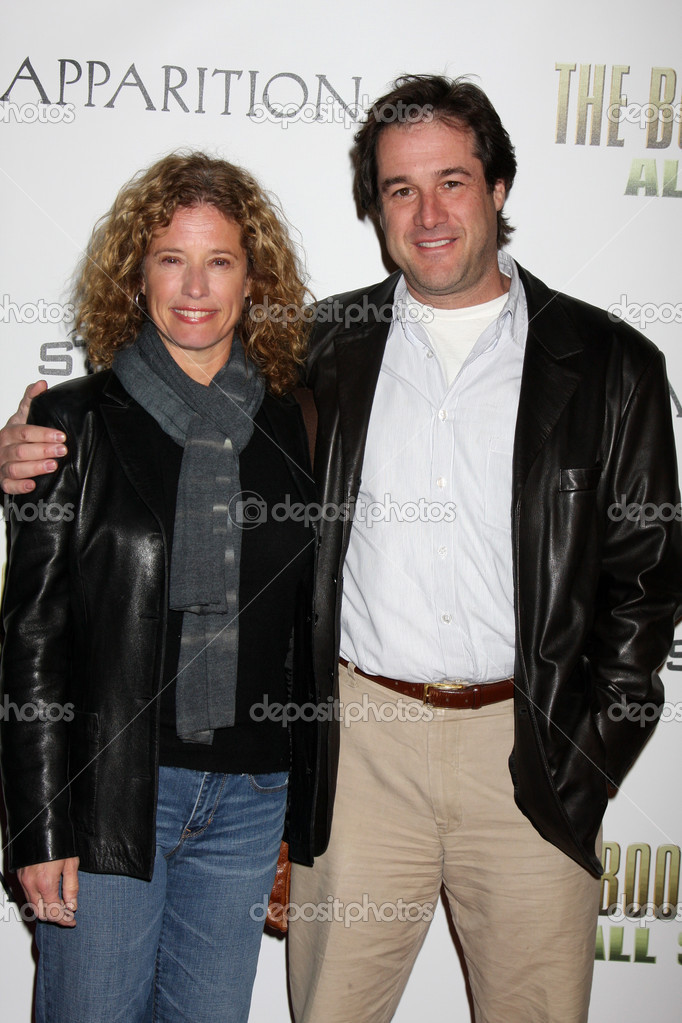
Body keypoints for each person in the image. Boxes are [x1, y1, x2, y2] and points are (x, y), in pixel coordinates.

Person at [2, 76, 682, 1023]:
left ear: (499, 190)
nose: (429, 212)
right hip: (358, 752)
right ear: (375, 206)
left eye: (452, 180)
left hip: (526, 749)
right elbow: (53, 602)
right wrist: (24, 448)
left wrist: (588, 755)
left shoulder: (611, 365)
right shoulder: (325, 348)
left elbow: (647, 588)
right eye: (401, 188)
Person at [0, 151, 324, 1023]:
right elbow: (33, 641)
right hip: (111, 794)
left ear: (253, 278)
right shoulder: (71, 422)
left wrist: (305, 804)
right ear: (135, 274)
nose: (194, 286)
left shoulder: (298, 421)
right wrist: (39, 827)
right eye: (170, 259)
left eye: (219, 260)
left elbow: (306, 624)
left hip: (252, 803)